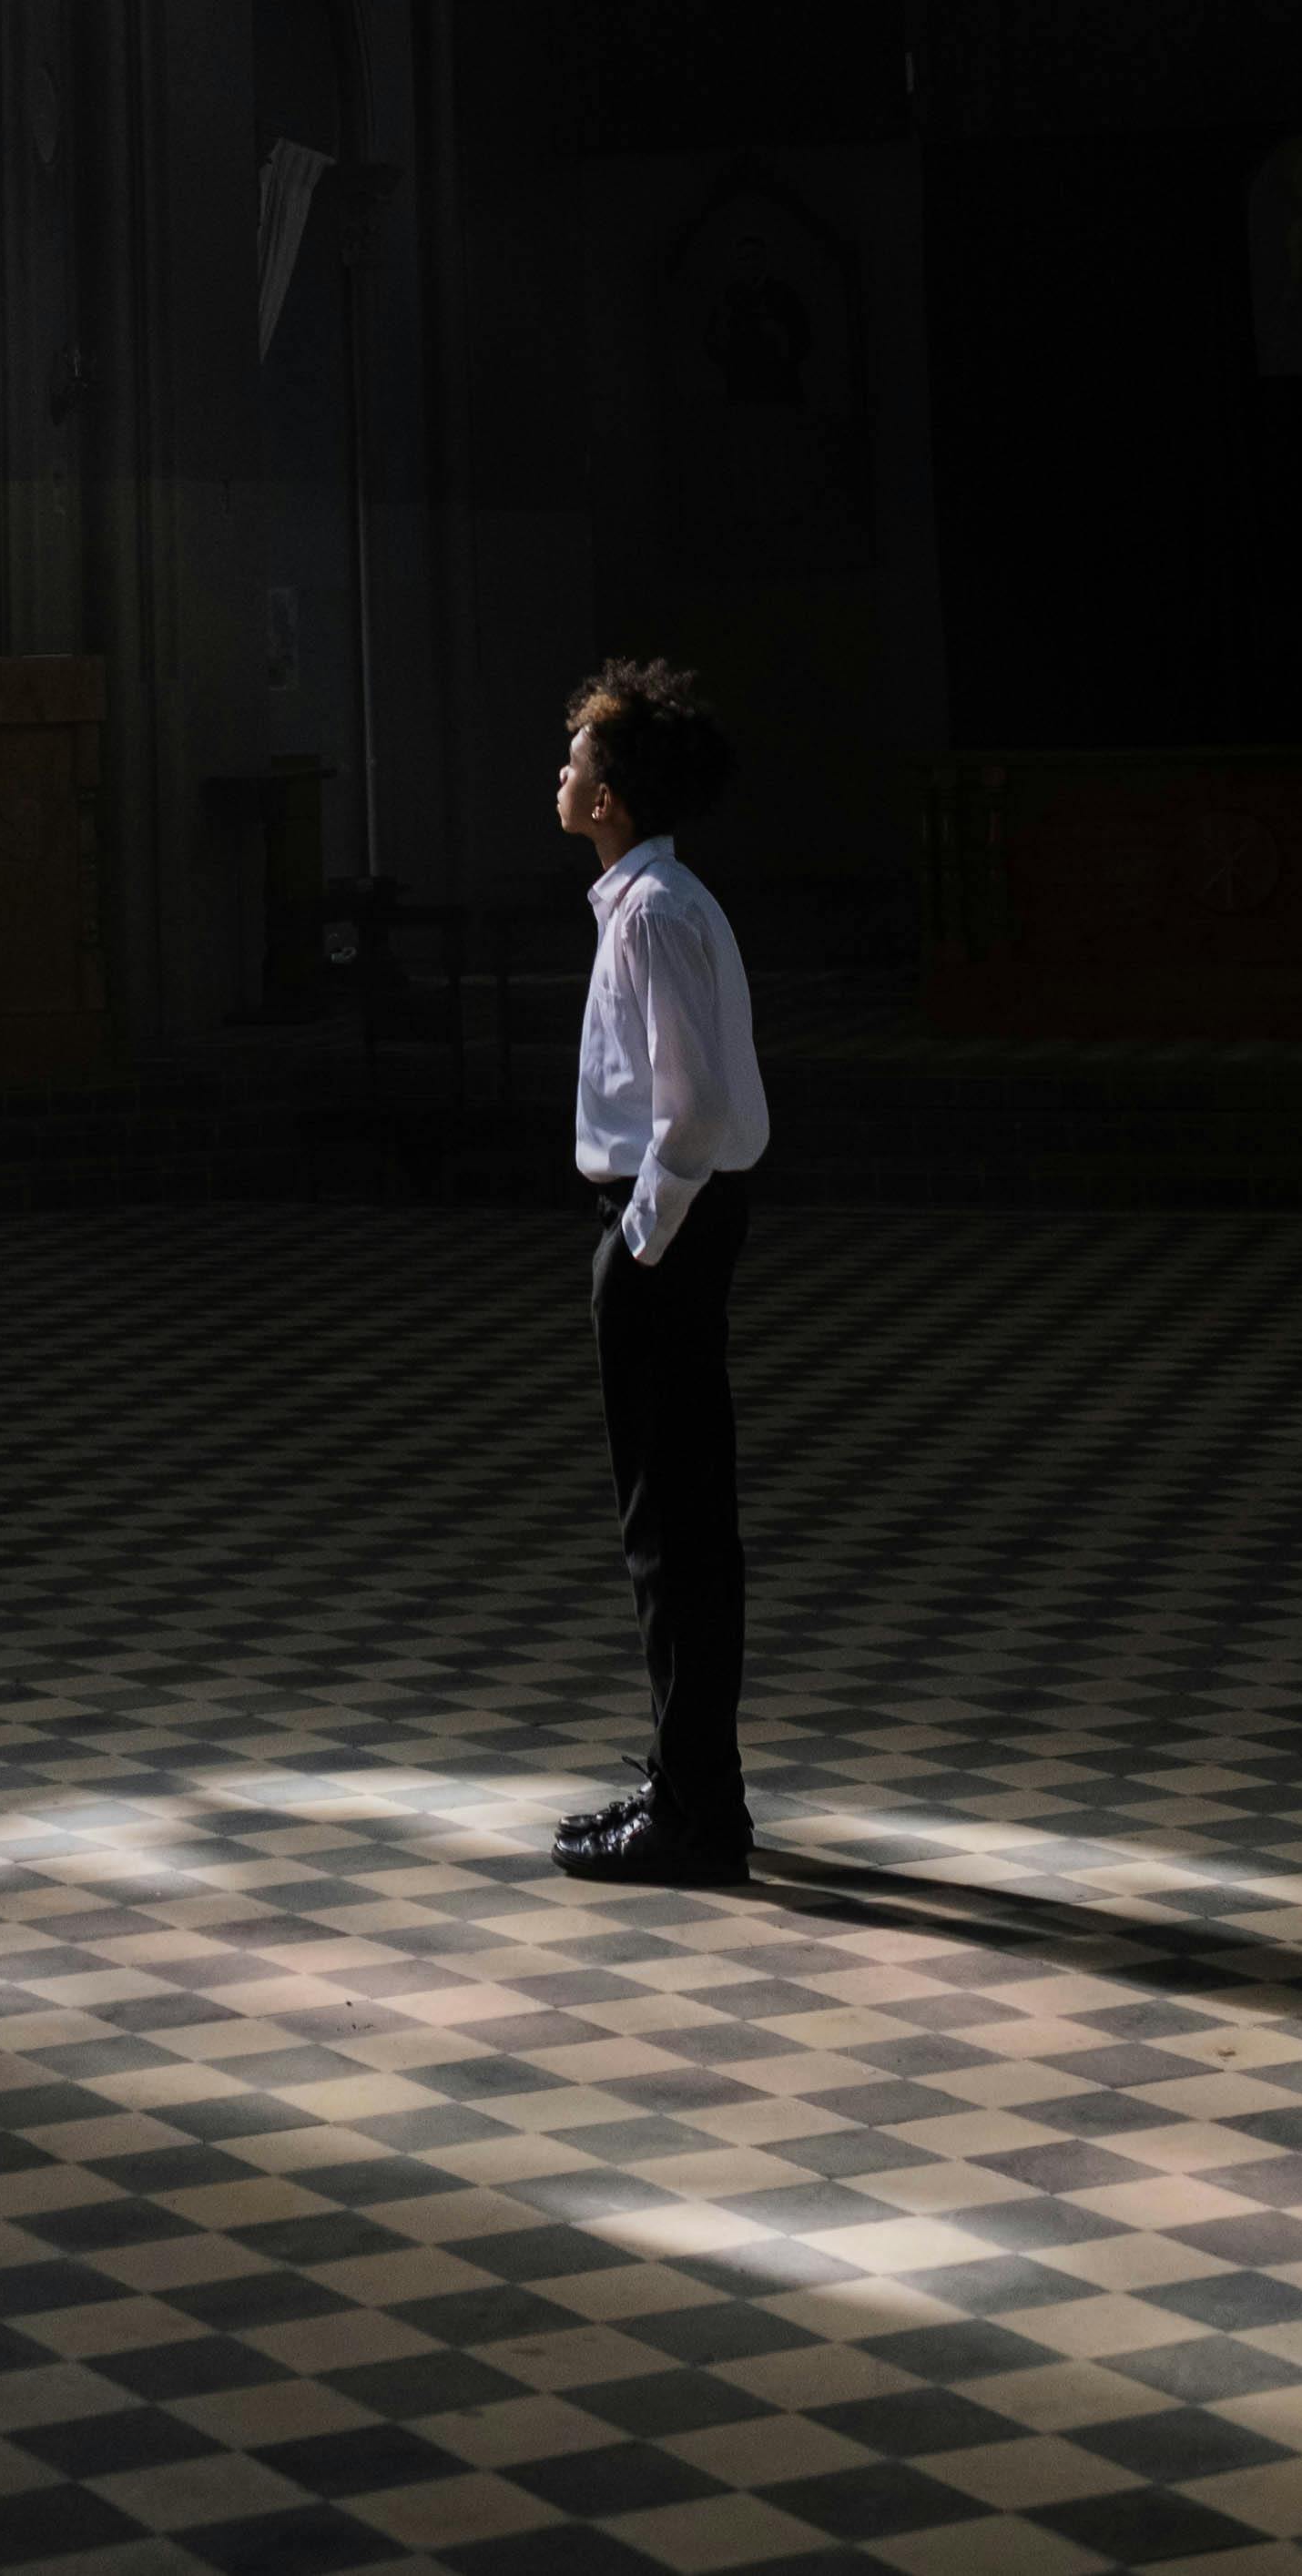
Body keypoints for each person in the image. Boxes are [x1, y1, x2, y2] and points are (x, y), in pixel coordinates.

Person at [550, 654, 770, 1884]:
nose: (562, 770)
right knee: (676, 1523)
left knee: (672, 1531)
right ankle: (689, 1785)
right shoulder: (649, 905)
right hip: (669, 1224)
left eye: (576, 755)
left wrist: (636, 1241)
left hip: (666, 1231)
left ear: (611, 796)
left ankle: (696, 1816)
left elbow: (687, 1114)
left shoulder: (654, 917)